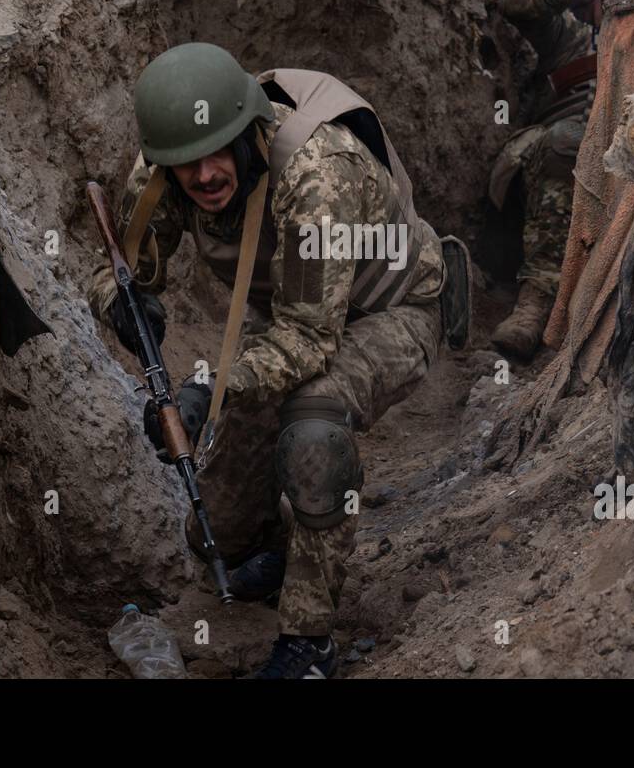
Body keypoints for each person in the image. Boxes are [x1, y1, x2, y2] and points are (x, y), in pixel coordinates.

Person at [89, 43, 468, 678]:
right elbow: (121, 268)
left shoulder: (317, 174)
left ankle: (308, 640)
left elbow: (311, 340)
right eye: (187, 164)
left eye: (217, 155)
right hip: (289, 311)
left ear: (246, 132)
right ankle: (271, 549)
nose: (204, 175)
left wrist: (214, 388)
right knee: (221, 534)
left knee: (312, 427)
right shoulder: (168, 159)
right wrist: (124, 305)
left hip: (390, 308)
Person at [489, 0, 601, 359]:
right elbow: (513, 4)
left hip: (615, 177)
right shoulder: (574, 35)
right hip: (551, 164)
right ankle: (536, 298)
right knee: (566, 141)